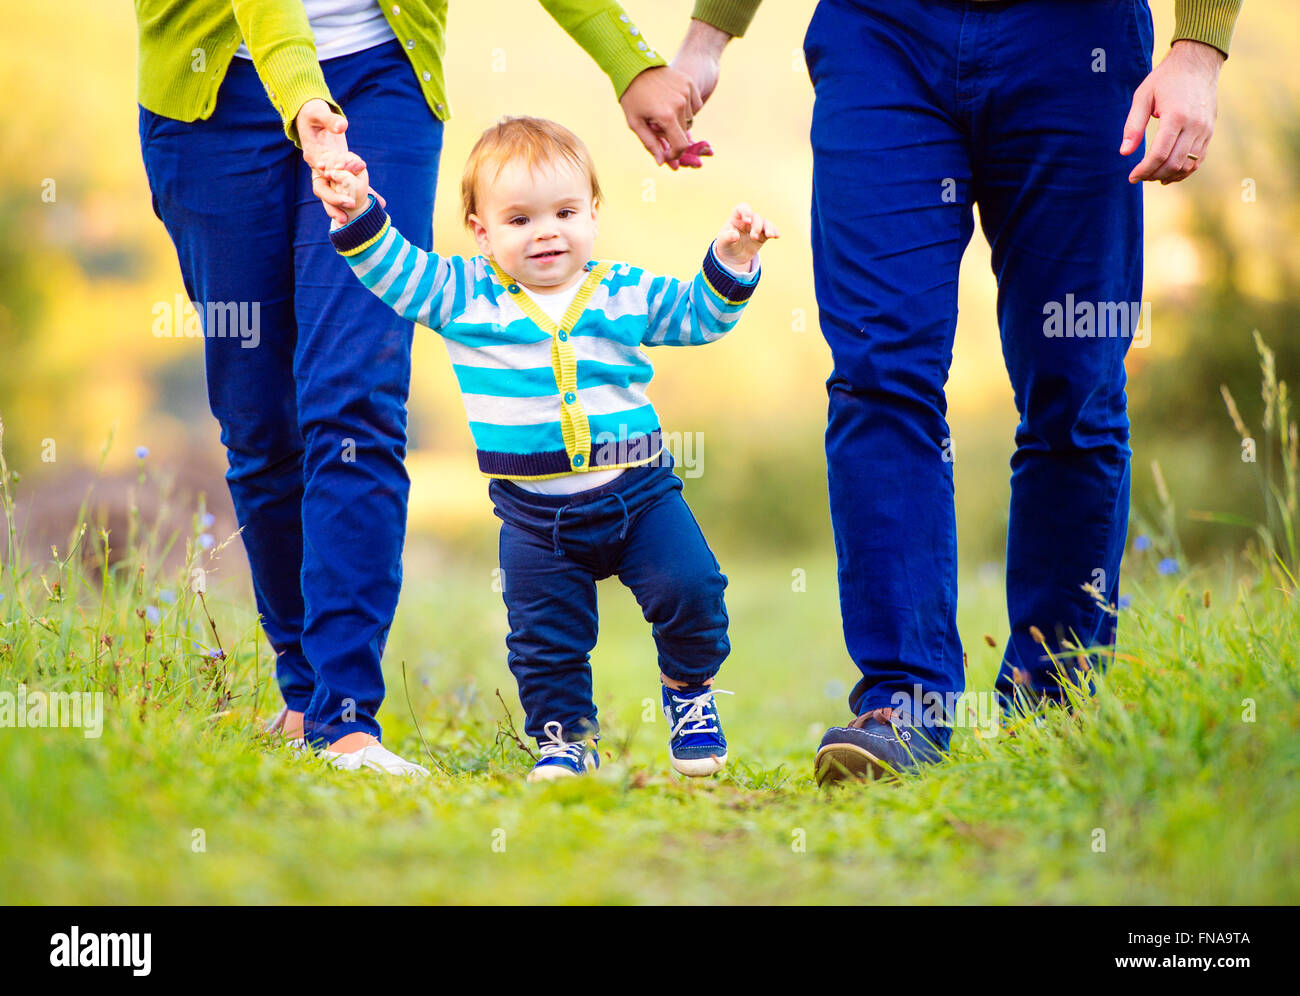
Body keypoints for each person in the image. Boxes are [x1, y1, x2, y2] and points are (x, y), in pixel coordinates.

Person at [135, 0, 736, 775]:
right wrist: (302, 99)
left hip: (379, 73)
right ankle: (304, 683)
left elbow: (691, 311)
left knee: (353, 401)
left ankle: (346, 721)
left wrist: (629, 62)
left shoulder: (607, 287)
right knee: (259, 417)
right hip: (212, 88)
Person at [665, 0, 1243, 782]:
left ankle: (1055, 705)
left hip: (1076, 41)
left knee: (1075, 385)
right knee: (877, 372)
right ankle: (906, 702)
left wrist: (1200, 47)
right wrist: (709, 38)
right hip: (882, 35)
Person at [315, 116, 776, 779]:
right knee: (544, 642)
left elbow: (699, 318)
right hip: (535, 519)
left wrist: (732, 260)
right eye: (520, 219)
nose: (547, 231)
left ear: (593, 213)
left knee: (693, 588)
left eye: (565, 211)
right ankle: (565, 743)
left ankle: (690, 691)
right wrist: (357, 213)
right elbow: (396, 273)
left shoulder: (623, 290)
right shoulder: (463, 295)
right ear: (482, 232)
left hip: (640, 496)